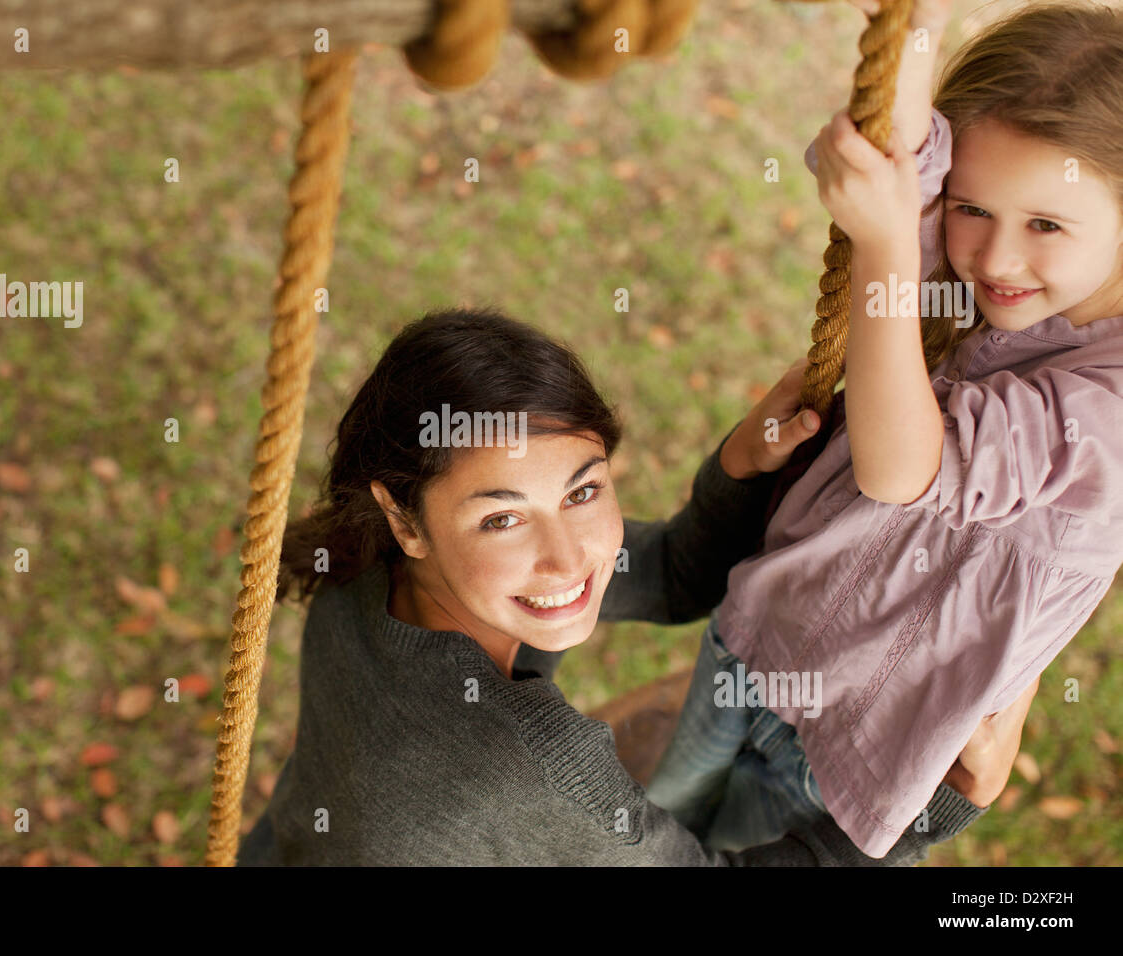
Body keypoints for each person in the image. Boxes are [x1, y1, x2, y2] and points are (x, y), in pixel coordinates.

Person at [237, 307, 1022, 865]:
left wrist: (741, 468)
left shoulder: (365, 562)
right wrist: (934, 807)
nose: (568, 557)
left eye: (583, 492)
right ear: (404, 518)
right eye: (502, 520)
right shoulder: (523, 767)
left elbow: (667, 577)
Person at [646, 0, 1123, 858]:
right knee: (647, 837)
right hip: (757, 637)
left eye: (1046, 225)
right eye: (972, 209)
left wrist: (888, 253)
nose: (993, 258)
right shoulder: (1006, 270)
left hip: (852, 750)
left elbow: (906, 469)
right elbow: (901, 153)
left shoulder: (1110, 409)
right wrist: (917, 27)